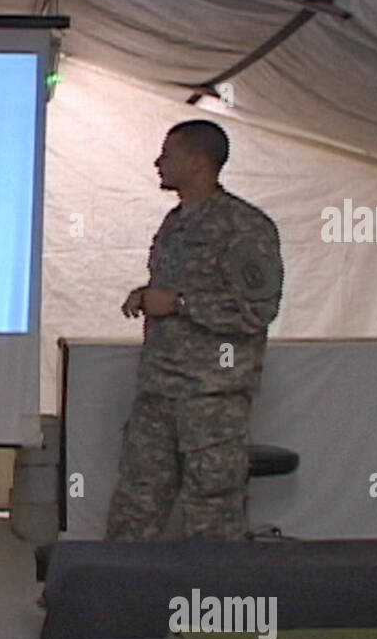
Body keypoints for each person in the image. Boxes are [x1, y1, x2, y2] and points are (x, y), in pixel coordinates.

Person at [106, 121, 283, 540]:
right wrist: (149, 295)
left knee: (212, 515)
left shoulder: (245, 227)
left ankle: (215, 601)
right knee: (136, 503)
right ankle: (116, 597)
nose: (158, 162)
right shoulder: (174, 224)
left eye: (168, 154)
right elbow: (181, 290)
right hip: (159, 394)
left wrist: (180, 304)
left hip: (211, 402)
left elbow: (258, 311)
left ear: (198, 161)